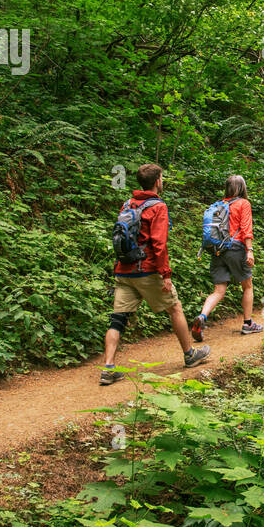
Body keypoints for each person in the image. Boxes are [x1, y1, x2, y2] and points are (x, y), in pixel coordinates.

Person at [100, 163, 210, 385]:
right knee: (175, 308)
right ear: (157, 181)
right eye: (162, 177)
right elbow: (159, 244)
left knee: (117, 319)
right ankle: (190, 355)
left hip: (123, 270)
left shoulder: (127, 204)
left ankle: (108, 367)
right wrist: (165, 274)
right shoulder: (158, 207)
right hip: (147, 270)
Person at [192, 174, 264, 338]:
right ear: (242, 188)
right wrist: (250, 250)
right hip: (236, 249)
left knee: (218, 290)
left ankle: (202, 316)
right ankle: (248, 324)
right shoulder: (243, 204)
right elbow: (246, 229)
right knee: (247, 286)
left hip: (218, 250)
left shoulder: (219, 205)